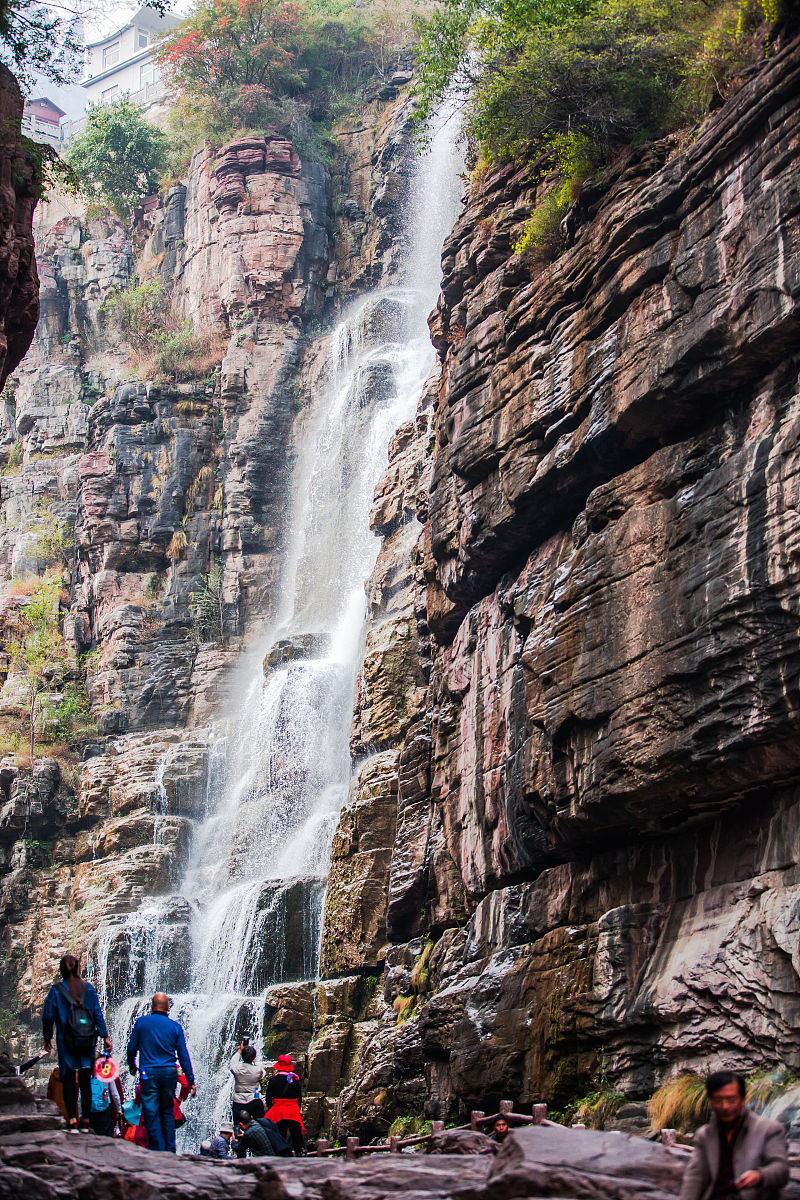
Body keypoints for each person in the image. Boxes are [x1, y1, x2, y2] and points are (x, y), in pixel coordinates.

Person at [679, 1070, 789, 1200]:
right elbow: (695, 1177)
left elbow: (781, 1169)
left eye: (731, 1100)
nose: (725, 1106)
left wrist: (760, 1176)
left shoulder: (769, 1130)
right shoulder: (705, 1135)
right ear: (711, 1101)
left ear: (743, 1100)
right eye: (718, 1100)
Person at [42, 954, 111, 1133]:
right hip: (87, 1040)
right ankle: (86, 1122)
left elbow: (48, 1016)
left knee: (68, 1080)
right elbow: (97, 1013)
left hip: (66, 1041)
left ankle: (73, 1121)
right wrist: (104, 1036)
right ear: (78, 968)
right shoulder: (89, 989)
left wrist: (47, 1038)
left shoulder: (56, 991)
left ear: (61, 970)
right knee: (85, 1080)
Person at [126, 992, 196, 1153]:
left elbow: (131, 1048)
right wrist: (191, 1080)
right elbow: (183, 1055)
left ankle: (156, 1150)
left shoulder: (142, 1022)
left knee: (151, 1113)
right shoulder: (175, 1027)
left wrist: (132, 1066)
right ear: (168, 1008)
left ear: (151, 1006)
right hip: (169, 1073)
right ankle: (170, 1151)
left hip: (149, 1072)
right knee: (167, 1112)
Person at [265, 1053, 305, 1156]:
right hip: (293, 1111)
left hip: (278, 1111)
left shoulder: (273, 1080)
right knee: (297, 1137)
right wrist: (298, 1109)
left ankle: (281, 1157)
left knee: (280, 1137)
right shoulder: (295, 1080)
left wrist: (272, 1108)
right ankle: (301, 1153)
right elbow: (299, 1098)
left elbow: (268, 1098)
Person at [230, 1041, 266, 1125]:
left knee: (238, 1125)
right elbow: (263, 1072)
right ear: (254, 1057)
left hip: (239, 1099)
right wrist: (255, 1062)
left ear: (242, 1056)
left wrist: (239, 1051)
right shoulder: (258, 1070)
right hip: (254, 1099)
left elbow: (232, 1063)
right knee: (259, 1124)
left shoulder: (237, 1069)